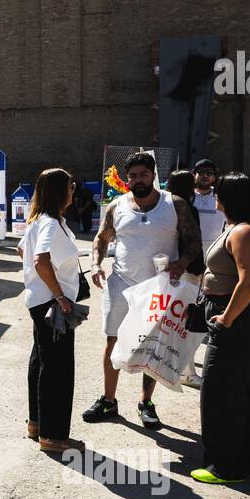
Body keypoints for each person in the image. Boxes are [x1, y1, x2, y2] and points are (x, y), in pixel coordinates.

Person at [86, 152, 203, 429]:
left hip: (159, 286)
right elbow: (102, 238)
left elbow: (194, 241)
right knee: (112, 341)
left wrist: (181, 263)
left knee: (153, 345)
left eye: (143, 175)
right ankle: (108, 400)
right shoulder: (117, 205)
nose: (138, 180)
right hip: (121, 284)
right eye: (133, 176)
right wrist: (95, 264)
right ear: (128, 179)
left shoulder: (174, 204)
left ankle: (145, 402)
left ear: (153, 176)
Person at [192, 173, 250, 484]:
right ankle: (240, 460)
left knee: (220, 393)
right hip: (231, 314)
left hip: (235, 317)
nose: (213, 195)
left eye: (218, 191)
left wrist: (227, 318)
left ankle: (226, 466)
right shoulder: (238, 228)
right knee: (238, 390)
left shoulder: (245, 232)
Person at [19, 168, 84, 452]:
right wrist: (60, 295)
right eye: (71, 185)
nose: (74, 190)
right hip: (50, 304)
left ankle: (37, 424)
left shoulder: (41, 220)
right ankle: (54, 436)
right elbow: (39, 258)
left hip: (39, 300)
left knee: (42, 361)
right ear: (61, 191)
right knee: (58, 368)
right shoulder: (50, 224)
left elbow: (21, 251)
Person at [166, 169, 206, 388]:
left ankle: (183, 369)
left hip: (170, 270)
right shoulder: (189, 209)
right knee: (188, 325)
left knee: (177, 324)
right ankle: (186, 372)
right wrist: (199, 269)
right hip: (188, 272)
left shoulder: (163, 209)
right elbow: (194, 244)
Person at [191, 158, 226, 253]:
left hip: (215, 250)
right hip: (191, 250)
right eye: (201, 172)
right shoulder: (187, 197)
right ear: (194, 175)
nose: (205, 176)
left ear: (214, 177)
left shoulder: (222, 197)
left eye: (209, 173)